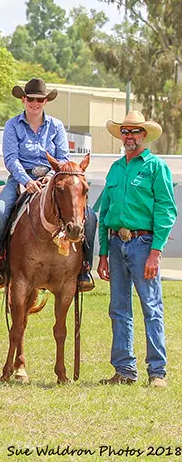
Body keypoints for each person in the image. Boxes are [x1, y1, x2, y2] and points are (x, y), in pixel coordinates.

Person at [0, 78, 96, 291]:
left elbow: (63, 157)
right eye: (30, 99)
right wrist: (26, 181)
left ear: (46, 101)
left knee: (89, 216)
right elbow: (11, 158)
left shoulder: (56, 126)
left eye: (39, 99)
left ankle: (84, 268)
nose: (34, 103)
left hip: (52, 179)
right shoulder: (12, 125)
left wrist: (52, 177)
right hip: (21, 178)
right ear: (23, 100)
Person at [96, 110, 176, 388]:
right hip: (116, 244)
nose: (129, 136)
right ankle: (124, 371)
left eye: (134, 132)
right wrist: (103, 253)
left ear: (144, 136)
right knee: (118, 309)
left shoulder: (156, 167)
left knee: (151, 307)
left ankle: (157, 372)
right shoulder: (116, 168)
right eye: (125, 132)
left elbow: (166, 210)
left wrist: (156, 252)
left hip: (143, 244)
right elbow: (104, 212)